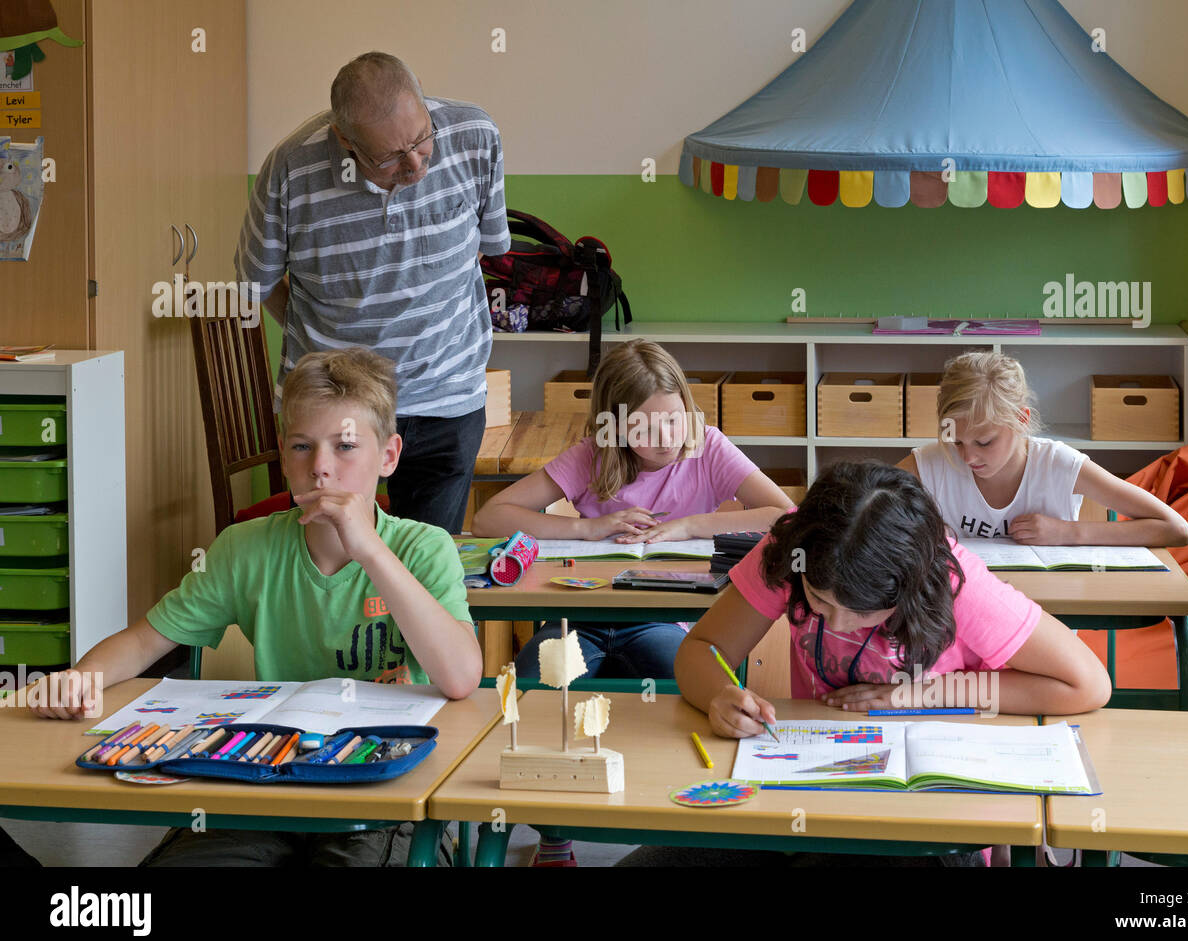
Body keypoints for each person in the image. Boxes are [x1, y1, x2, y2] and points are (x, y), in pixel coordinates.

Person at [25, 348, 482, 866]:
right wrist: (81, 678)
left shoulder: (425, 548)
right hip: (264, 781)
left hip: (384, 788)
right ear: (283, 457)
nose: (321, 469)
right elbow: (145, 640)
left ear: (389, 456)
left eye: (346, 446)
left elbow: (462, 677)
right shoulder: (245, 548)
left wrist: (370, 550)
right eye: (302, 447)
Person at [666, 461, 1110, 867]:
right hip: (808, 785)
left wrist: (923, 693)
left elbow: (1086, 683)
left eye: (863, 611)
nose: (836, 621)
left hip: (932, 815)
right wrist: (717, 696)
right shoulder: (793, 548)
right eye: (819, 599)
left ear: (910, 587)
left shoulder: (955, 583)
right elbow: (701, 648)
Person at [236, 51, 510, 533]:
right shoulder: (291, 169)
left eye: (422, 141)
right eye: (389, 158)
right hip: (336, 408)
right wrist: (329, 354)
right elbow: (256, 283)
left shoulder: (475, 137)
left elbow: (483, 252)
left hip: (447, 397)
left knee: (426, 571)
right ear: (344, 140)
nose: (415, 166)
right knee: (335, 566)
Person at [473, 338, 794, 681]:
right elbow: (488, 517)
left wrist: (688, 526)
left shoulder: (709, 446)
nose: (666, 438)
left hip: (663, 620)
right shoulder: (593, 455)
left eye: (674, 419)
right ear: (615, 425)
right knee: (532, 690)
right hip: (581, 615)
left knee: (692, 685)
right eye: (644, 428)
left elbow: (786, 515)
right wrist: (588, 529)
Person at [898, 351, 1188, 547]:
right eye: (956, 440)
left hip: (1051, 616)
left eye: (984, 442)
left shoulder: (1057, 464)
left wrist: (1068, 532)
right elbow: (857, 511)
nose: (967, 456)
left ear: (1021, 420)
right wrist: (918, 536)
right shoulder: (932, 464)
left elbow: (1176, 529)